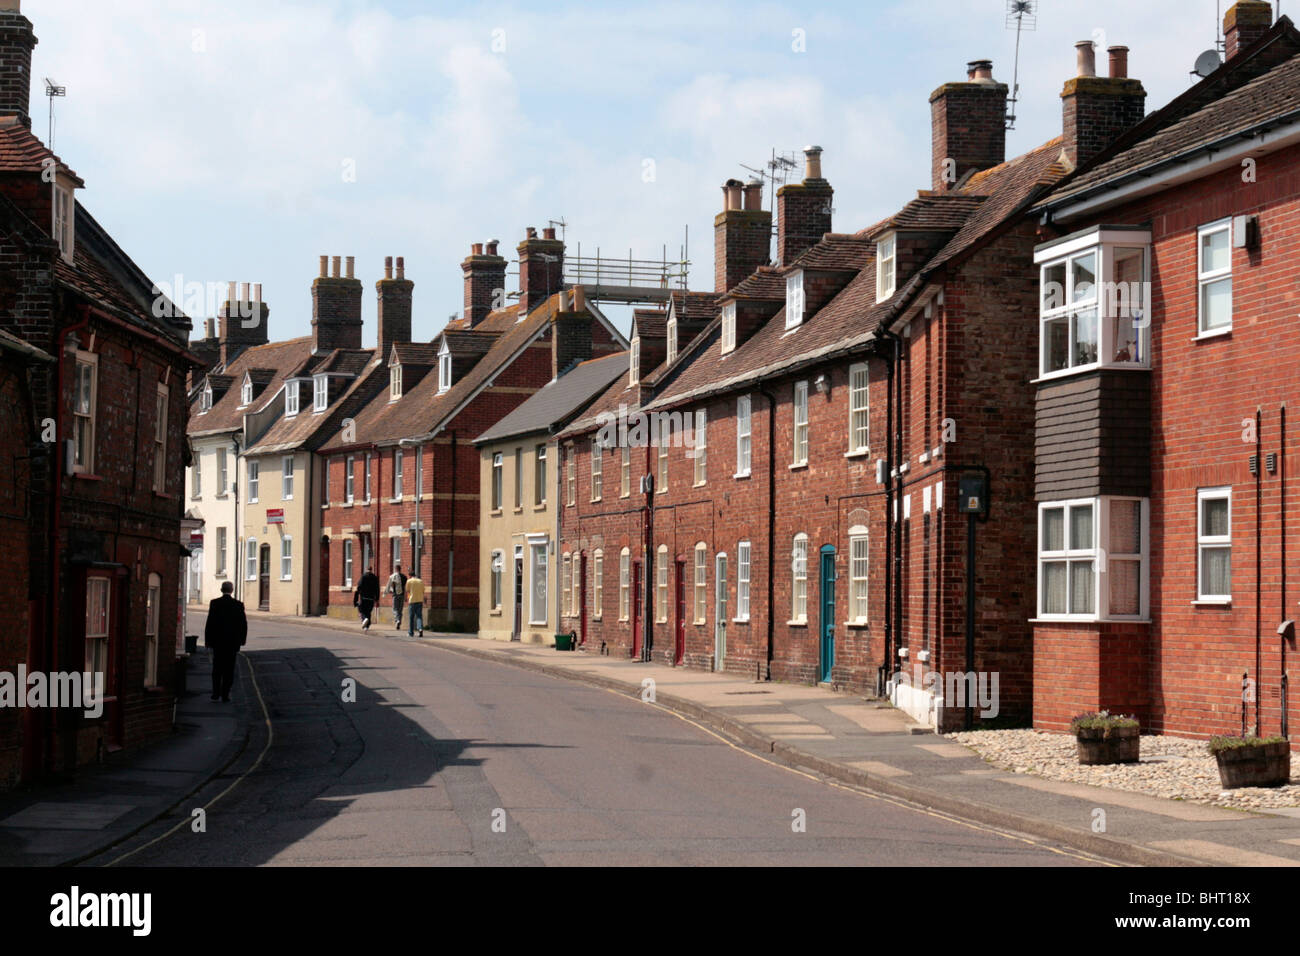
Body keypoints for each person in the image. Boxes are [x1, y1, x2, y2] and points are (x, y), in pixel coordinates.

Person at [205, 581, 247, 702]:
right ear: (232, 590)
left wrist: (208, 641)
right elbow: (243, 624)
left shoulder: (214, 603)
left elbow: (210, 623)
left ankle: (215, 693)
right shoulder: (238, 605)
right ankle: (225, 694)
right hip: (232, 643)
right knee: (229, 669)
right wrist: (242, 640)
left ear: (221, 590)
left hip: (218, 643)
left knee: (217, 669)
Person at [354, 564, 381, 630]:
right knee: (368, 612)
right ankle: (367, 626)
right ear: (372, 570)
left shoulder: (363, 577)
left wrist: (356, 598)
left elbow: (359, 587)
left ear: (366, 569)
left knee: (362, 611)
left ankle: (364, 620)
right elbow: (377, 589)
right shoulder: (375, 578)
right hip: (371, 598)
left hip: (364, 597)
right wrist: (377, 598)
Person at [386, 561, 407, 631]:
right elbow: (405, 587)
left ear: (395, 569)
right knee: (400, 610)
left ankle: (397, 620)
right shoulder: (404, 577)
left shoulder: (393, 576)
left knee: (395, 609)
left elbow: (391, 585)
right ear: (400, 569)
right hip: (402, 594)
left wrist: (388, 591)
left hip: (395, 595)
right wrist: (406, 596)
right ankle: (399, 622)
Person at [405, 571, 425, 637]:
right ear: (415, 575)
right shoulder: (420, 581)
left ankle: (411, 632)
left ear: (409, 575)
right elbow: (423, 591)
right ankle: (420, 628)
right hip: (420, 600)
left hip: (412, 601)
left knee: (411, 617)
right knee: (419, 616)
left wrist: (406, 599)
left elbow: (407, 591)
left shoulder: (409, 581)